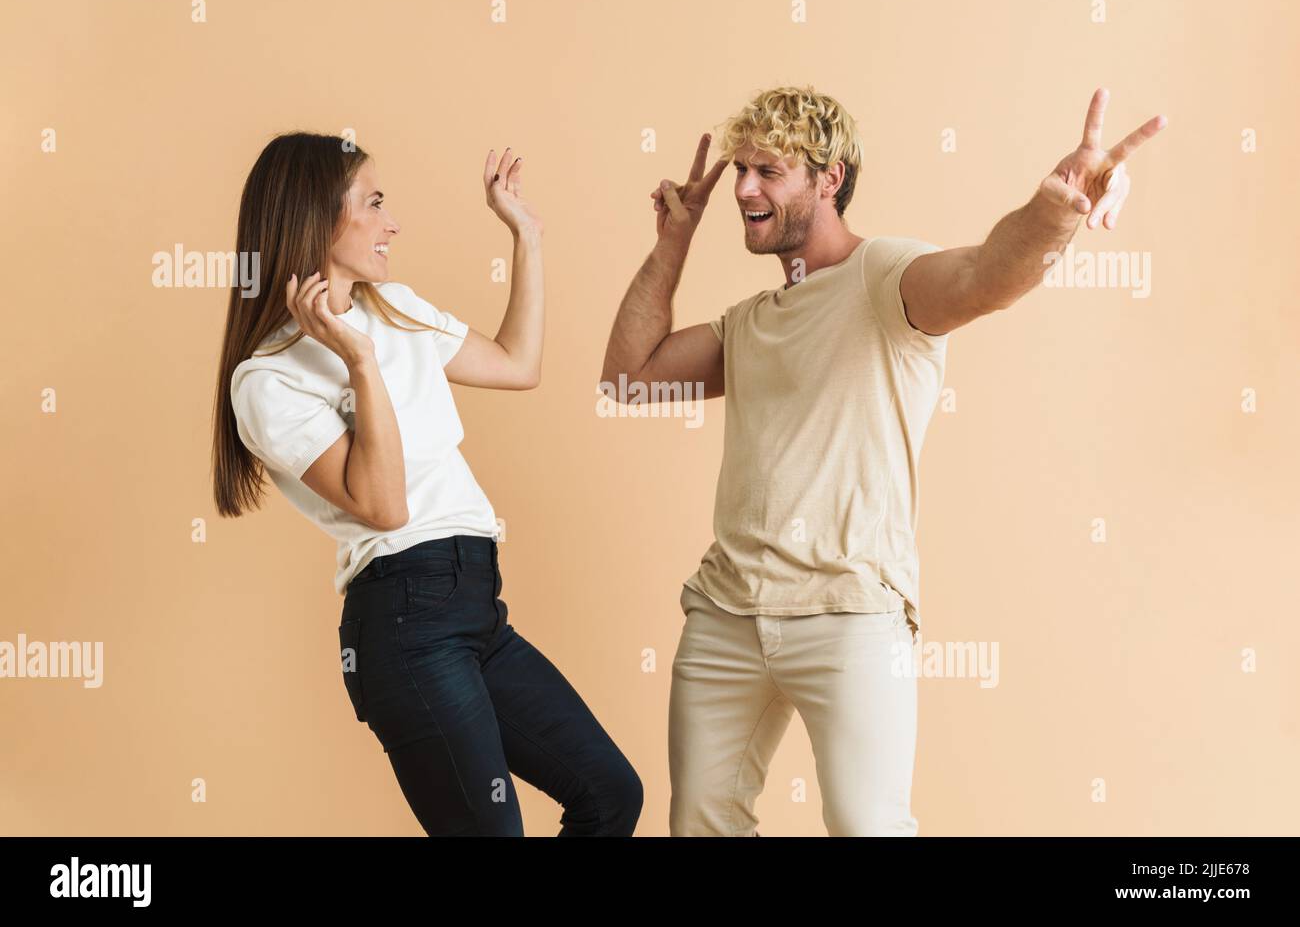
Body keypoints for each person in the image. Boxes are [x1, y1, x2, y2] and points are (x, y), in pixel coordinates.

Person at [600, 85, 1164, 836]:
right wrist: (674, 241)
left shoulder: (887, 278)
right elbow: (626, 380)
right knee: (701, 822)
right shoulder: (751, 322)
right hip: (726, 615)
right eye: (740, 169)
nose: (742, 187)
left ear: (829, 179)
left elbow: (986, 276)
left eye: (768, 170)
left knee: (869, 826)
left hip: (850, 615)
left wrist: (1056, 211)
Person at [211, 132, 642, 836]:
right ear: (319, 218)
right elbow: (385, 505)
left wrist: (525, 235)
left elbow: (516, 362)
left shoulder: (396, 309)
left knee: (610, 792)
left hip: (477, 604)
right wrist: (357, 360)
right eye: (374, 204)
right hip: (405, 618)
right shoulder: (267, 378)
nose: (393, 223)